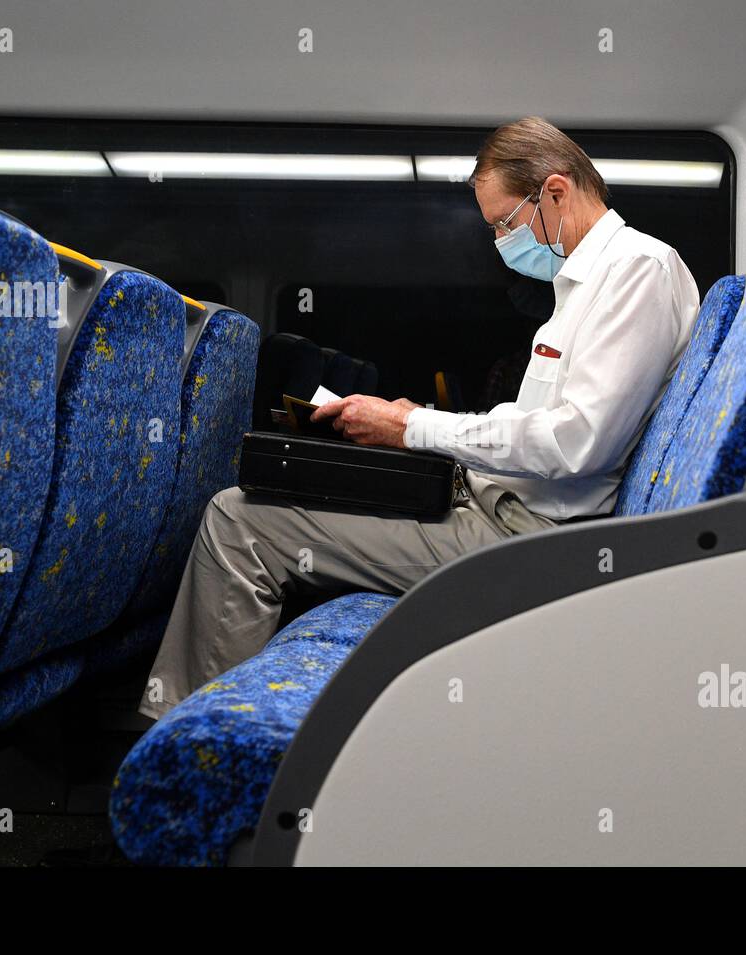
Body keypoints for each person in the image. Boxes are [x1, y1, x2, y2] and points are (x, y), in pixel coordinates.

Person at [139, 116, 700, 719]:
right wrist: (423, 420)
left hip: (530, 539)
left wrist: (414, 430)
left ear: (556, 192)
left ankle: (194, 753)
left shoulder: (637, 270)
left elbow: (576, 442)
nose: (500, 242)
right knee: (281, 489)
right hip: (496, 508)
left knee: (240, 521)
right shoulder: (586, 285)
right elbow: (539, 419)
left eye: (504, 223)